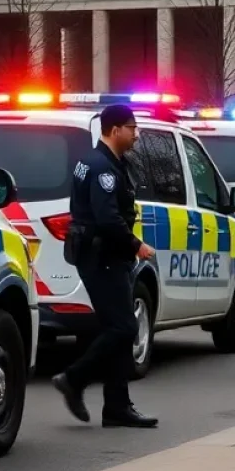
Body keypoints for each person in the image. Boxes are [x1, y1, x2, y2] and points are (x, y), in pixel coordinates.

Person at [51, 104, 159, 428]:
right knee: (124, 327)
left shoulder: (101, 162)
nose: (136, 134)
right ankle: (74, 379)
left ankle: (117, 406)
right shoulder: (103, 169)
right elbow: (107, 217)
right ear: (115, 130)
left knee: (120, 328)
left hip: (105, 256)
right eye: (132, 128)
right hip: (104, 257)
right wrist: (136, 245)